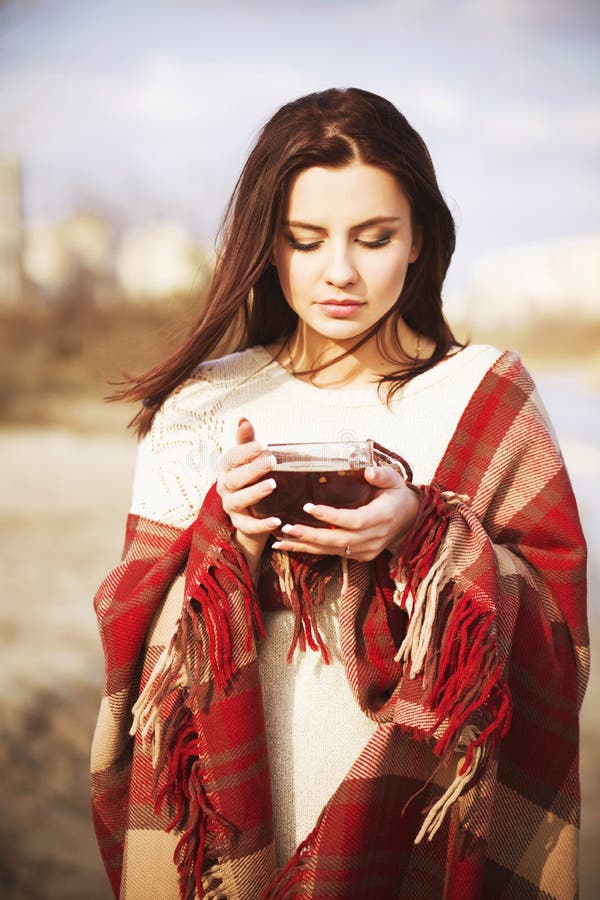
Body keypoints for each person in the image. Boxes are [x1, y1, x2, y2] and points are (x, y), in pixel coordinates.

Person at [90, 87, 589, 900]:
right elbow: (134, 631)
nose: (340, 273)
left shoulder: (487, 394)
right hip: (232, 809)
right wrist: (232, 537)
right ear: (267, 243)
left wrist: (423, 533)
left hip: (420, 812)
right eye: (305, 240)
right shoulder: (202, 405)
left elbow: (560, 636)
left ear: (419, 238)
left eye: (374, 238)